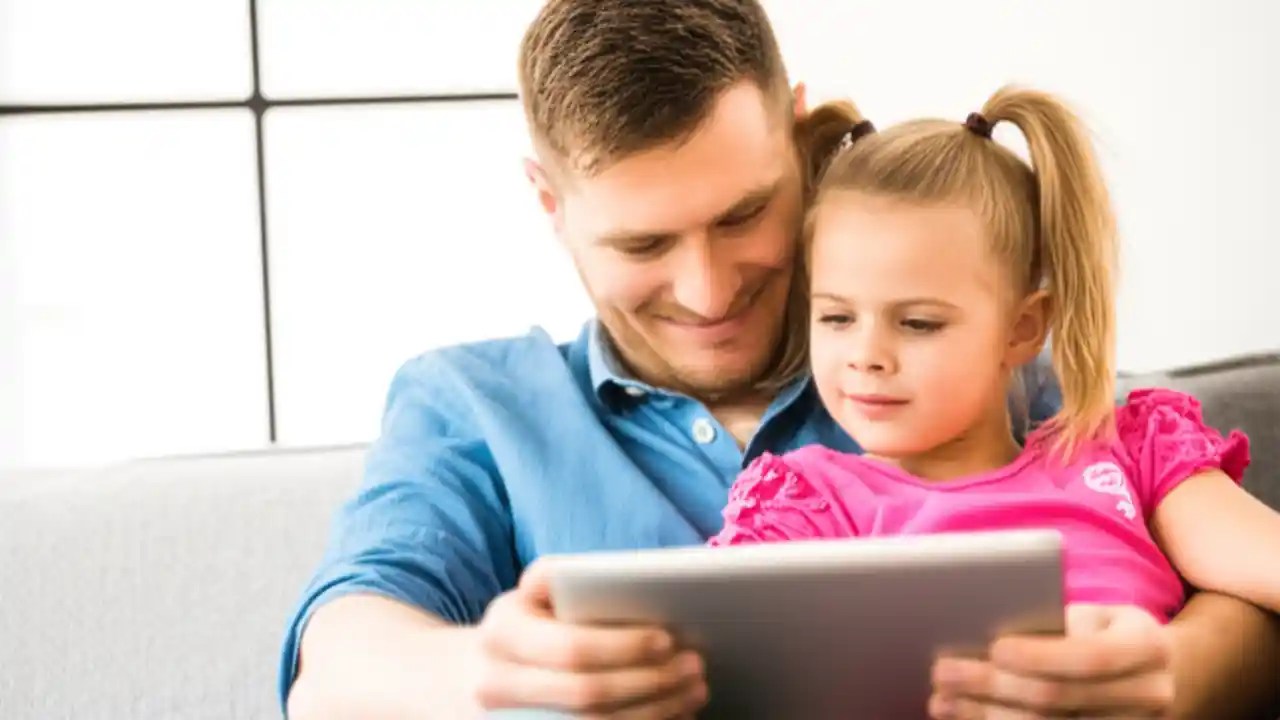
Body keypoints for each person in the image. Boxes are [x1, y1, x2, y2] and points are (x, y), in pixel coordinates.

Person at [280, 1, 1280, 718]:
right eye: (643, 244)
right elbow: (335, 667)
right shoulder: (472, 404)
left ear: (797, 139)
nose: (709, 290)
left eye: (744, 214)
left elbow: (1221, 582)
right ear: (551, 204)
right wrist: (484, 671)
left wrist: (1170, 675)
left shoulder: (996, 373)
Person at [708, 87, 1280, 717]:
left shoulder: (1124, 449)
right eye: (837, 317)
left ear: (1021, 329)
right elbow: (724, 669)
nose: (865, 355)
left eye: (918, 323)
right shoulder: (806, 504)